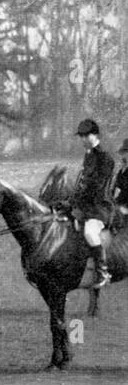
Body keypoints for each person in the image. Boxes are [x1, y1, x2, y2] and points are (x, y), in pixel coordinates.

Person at [72, 119, 115, 288]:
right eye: (81, 136)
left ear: (95, 135)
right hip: (85, 206)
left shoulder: (105, 158)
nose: (83, 139)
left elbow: (97, 187)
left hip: (99, 208)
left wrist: (79, 201)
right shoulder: (89, 156)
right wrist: (70, 201)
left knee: (90, 233)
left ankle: (103, 272)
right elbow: (82, 183)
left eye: (86, 135)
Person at [115, 138, 128, 227]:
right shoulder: (121, 171)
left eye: (125, 152)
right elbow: (118, 189)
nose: (123, 155)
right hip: (120, 204)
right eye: (123, 153)